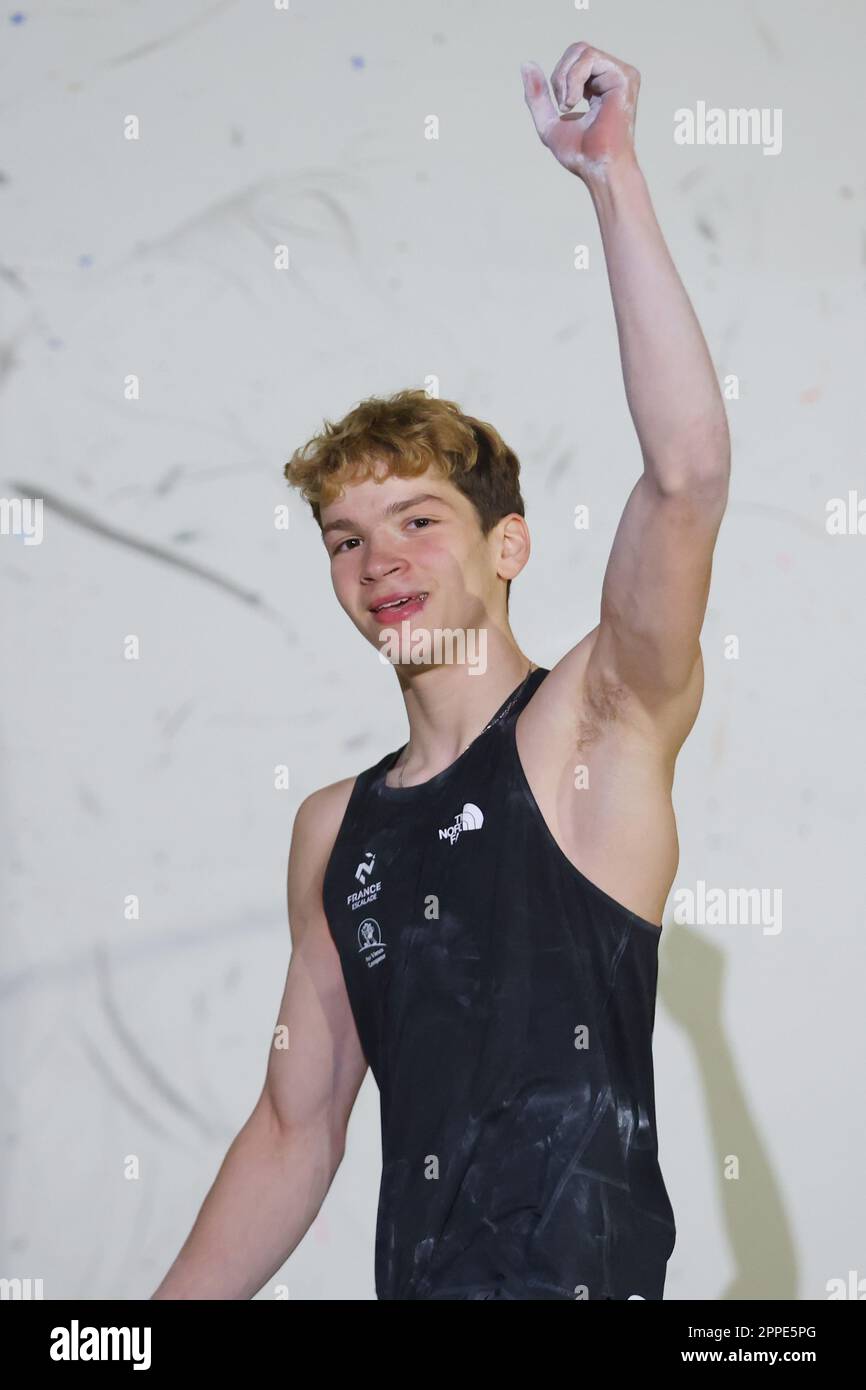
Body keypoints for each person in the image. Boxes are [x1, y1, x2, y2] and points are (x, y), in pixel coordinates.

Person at [152, 40, 729, 1301]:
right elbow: (294, 1130)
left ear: (505, 543)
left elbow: (684, 473)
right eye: (346, 538)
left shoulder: (593, 726)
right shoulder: (332, 831)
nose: (379, 560)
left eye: (419, 520)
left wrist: (609, 179)